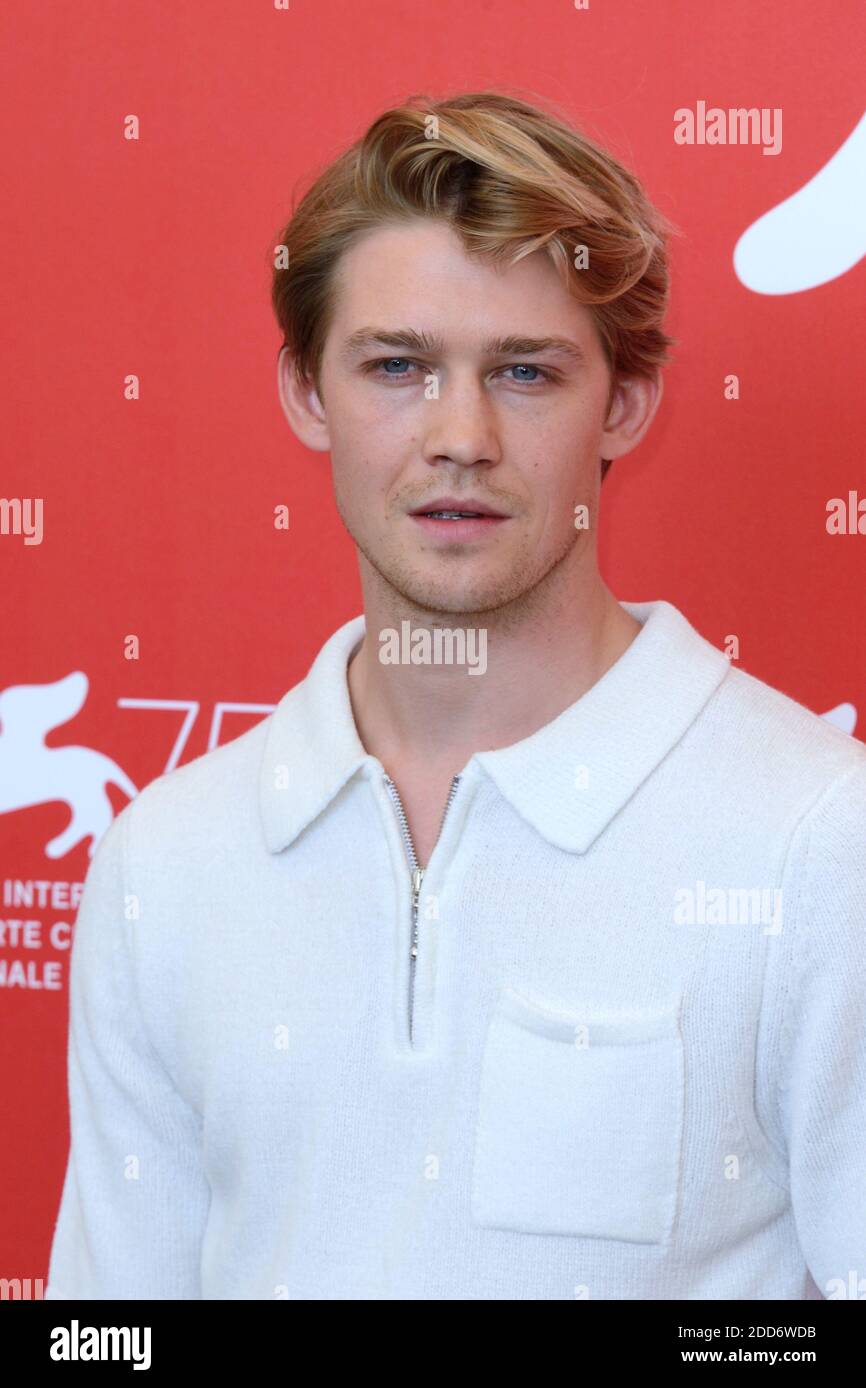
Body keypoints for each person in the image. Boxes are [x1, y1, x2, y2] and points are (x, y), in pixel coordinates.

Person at [46, 89, 866, 1300]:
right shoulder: (163, 863)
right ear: (307, 395)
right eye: (398, 366)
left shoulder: (817, 841)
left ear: (624, 405)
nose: (460, 435)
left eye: (525, 372)